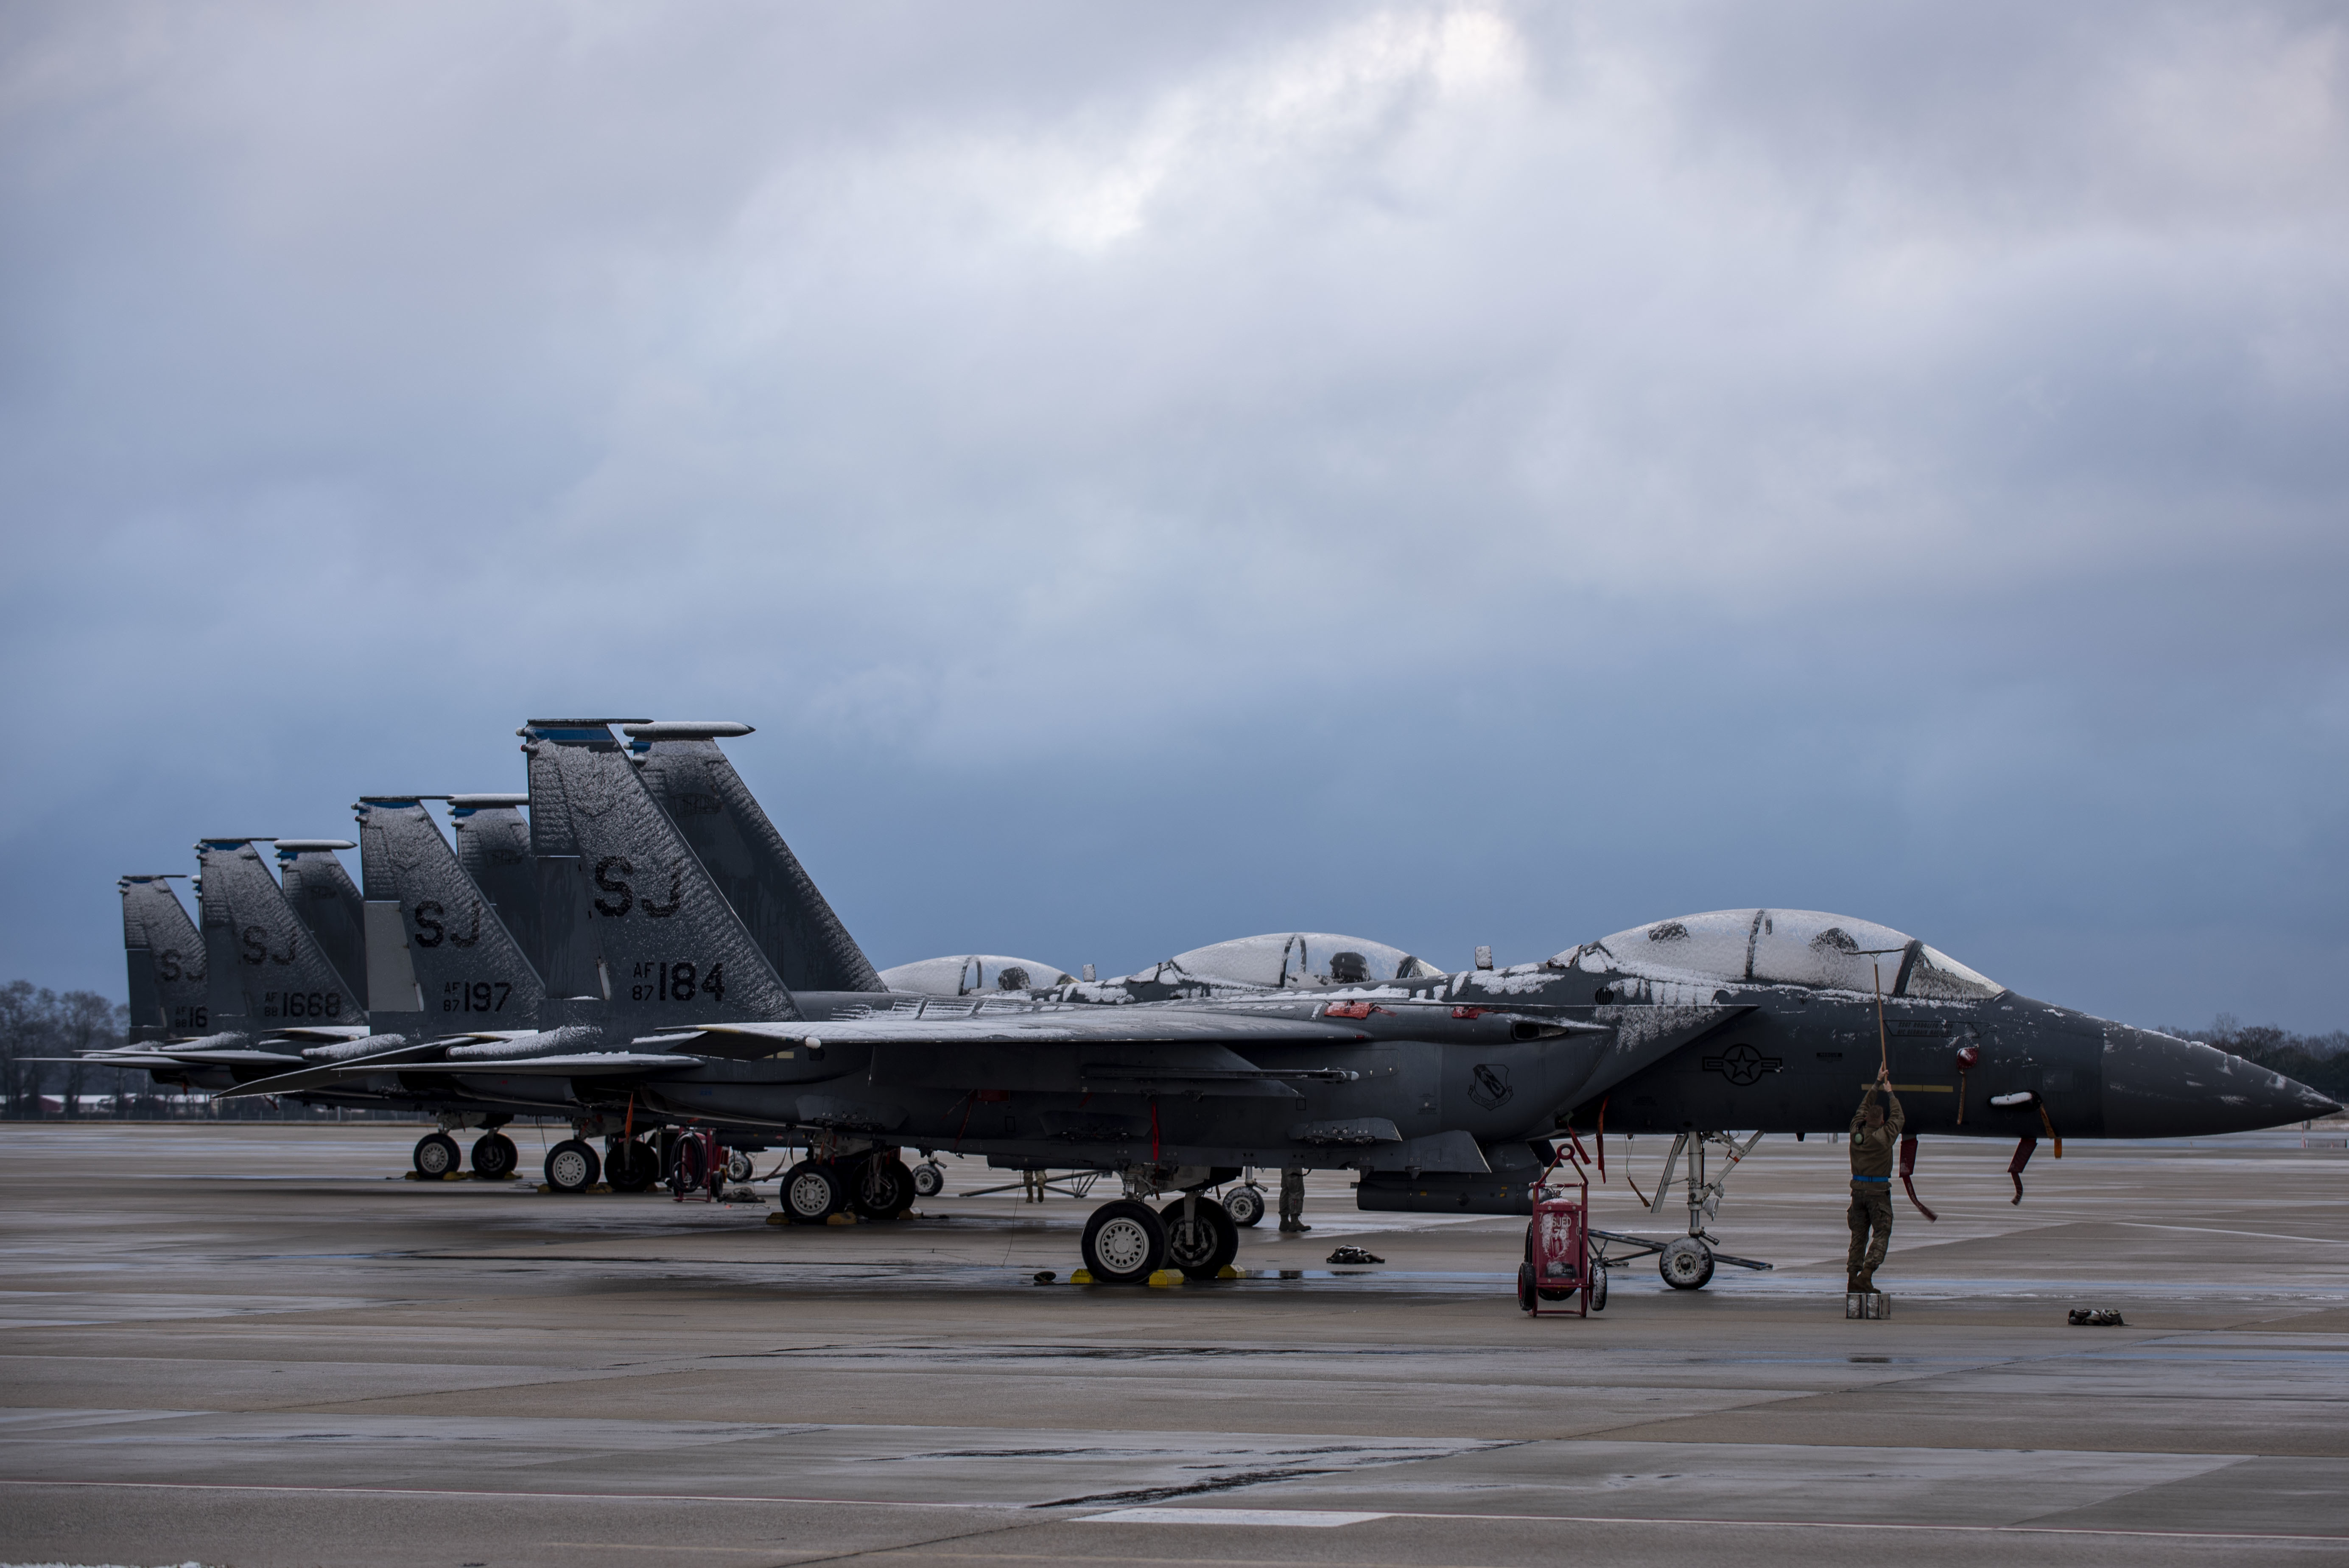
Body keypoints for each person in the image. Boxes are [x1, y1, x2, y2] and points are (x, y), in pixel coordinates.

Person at [1847, 1065, 1903, 1293]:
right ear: (1881, 1122)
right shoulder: (1884, 1137)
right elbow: (1899, 1117)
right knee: (1882, 1232)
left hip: (1858, 1193)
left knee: (1858, 1236)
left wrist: (1877, 1084)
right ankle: (1867, 1275)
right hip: (1878, 1194)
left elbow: (1863, 1107)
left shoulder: (1855, 1132)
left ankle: (1853, 1279)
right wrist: (1890, 1093)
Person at [1278, 1166, 1312, 1234]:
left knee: (1285, 1191)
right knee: (1296, 1191)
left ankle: (1284, 1221)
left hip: (1285, 1164)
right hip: (1294, 1164)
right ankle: (1295, 1221)